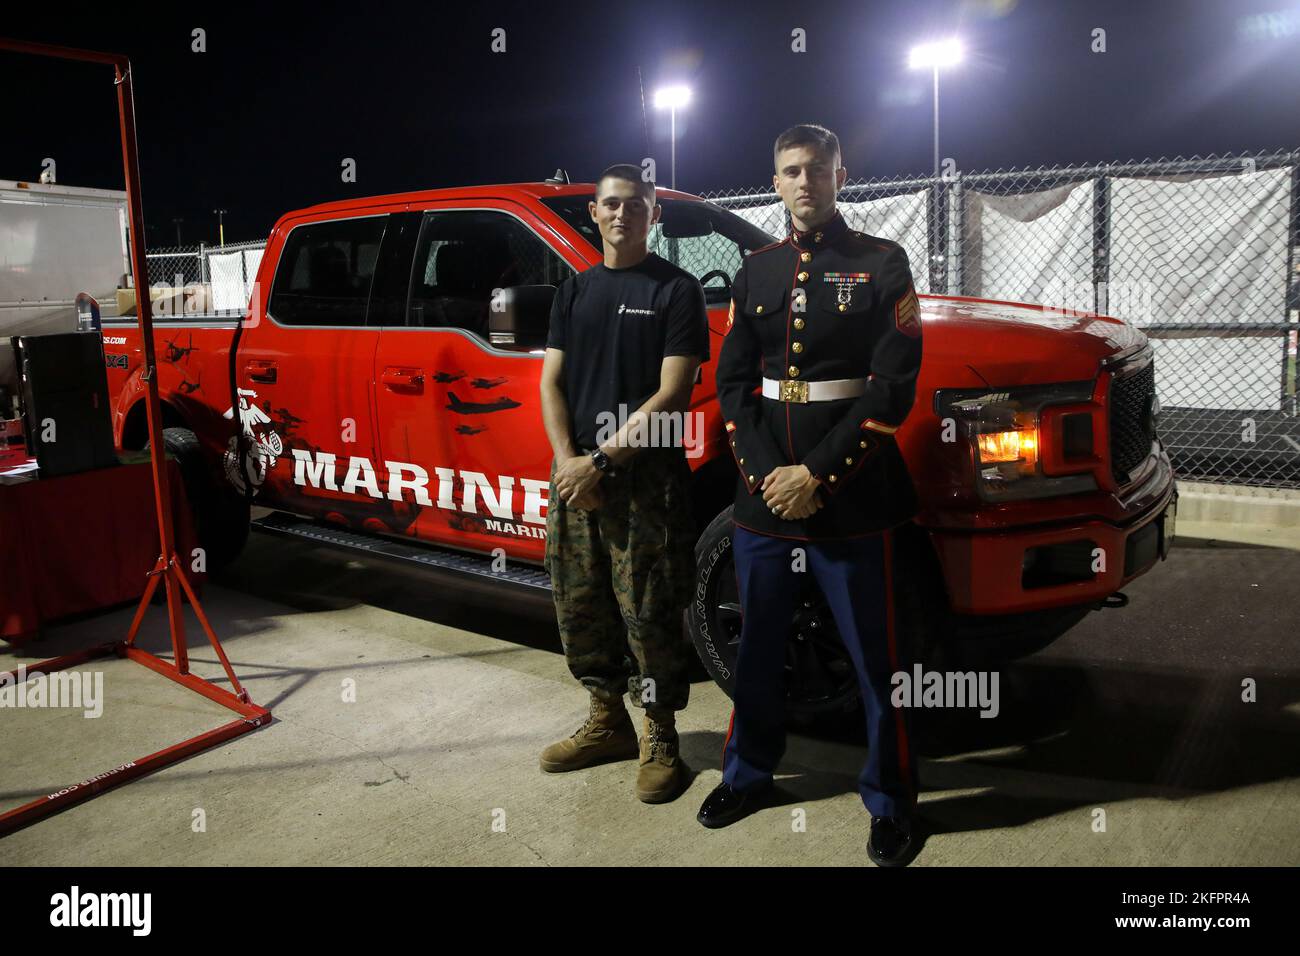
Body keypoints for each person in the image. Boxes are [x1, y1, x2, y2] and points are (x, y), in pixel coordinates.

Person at [696, 124, 925, 865]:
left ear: (840, 176)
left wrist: (817, 475)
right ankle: (748, 773)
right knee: (757, 653)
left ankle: (890, 801)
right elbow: (734, 386)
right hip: (766, 503)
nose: (804, 183)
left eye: (817, 171)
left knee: (876, 663)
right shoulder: (755, 270)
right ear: (774, 181)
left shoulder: (882, 263)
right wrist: (770, 475)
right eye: (791, 171)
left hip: (853, 500)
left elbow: (892, 388)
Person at [538, 164, 709, 803]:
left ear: (652, 215)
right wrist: (566, 461)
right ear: (594, 213)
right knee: (581, 602)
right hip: (576, 473)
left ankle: (660, 733)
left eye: (635, 205)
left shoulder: (677, 291)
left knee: (649, 608)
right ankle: (607, 720)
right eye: (611, 204)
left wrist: (601, 463)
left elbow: (671, 394)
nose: (621, 214)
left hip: (642, 475)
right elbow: (550, 382)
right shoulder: (573, 291)